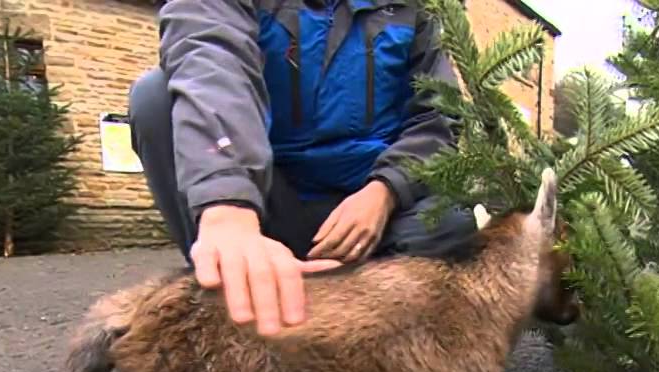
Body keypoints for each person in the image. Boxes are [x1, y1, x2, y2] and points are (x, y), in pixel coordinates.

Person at [128, 0, 476, 337]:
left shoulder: (415, 9)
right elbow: (209, 63)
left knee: (449, 223)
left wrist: (384, 191)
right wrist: (228, 206)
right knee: (154, 99)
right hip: (270, 199)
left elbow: (436, 119)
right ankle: (231, 288)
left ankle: (374, 333)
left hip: (367, 207)